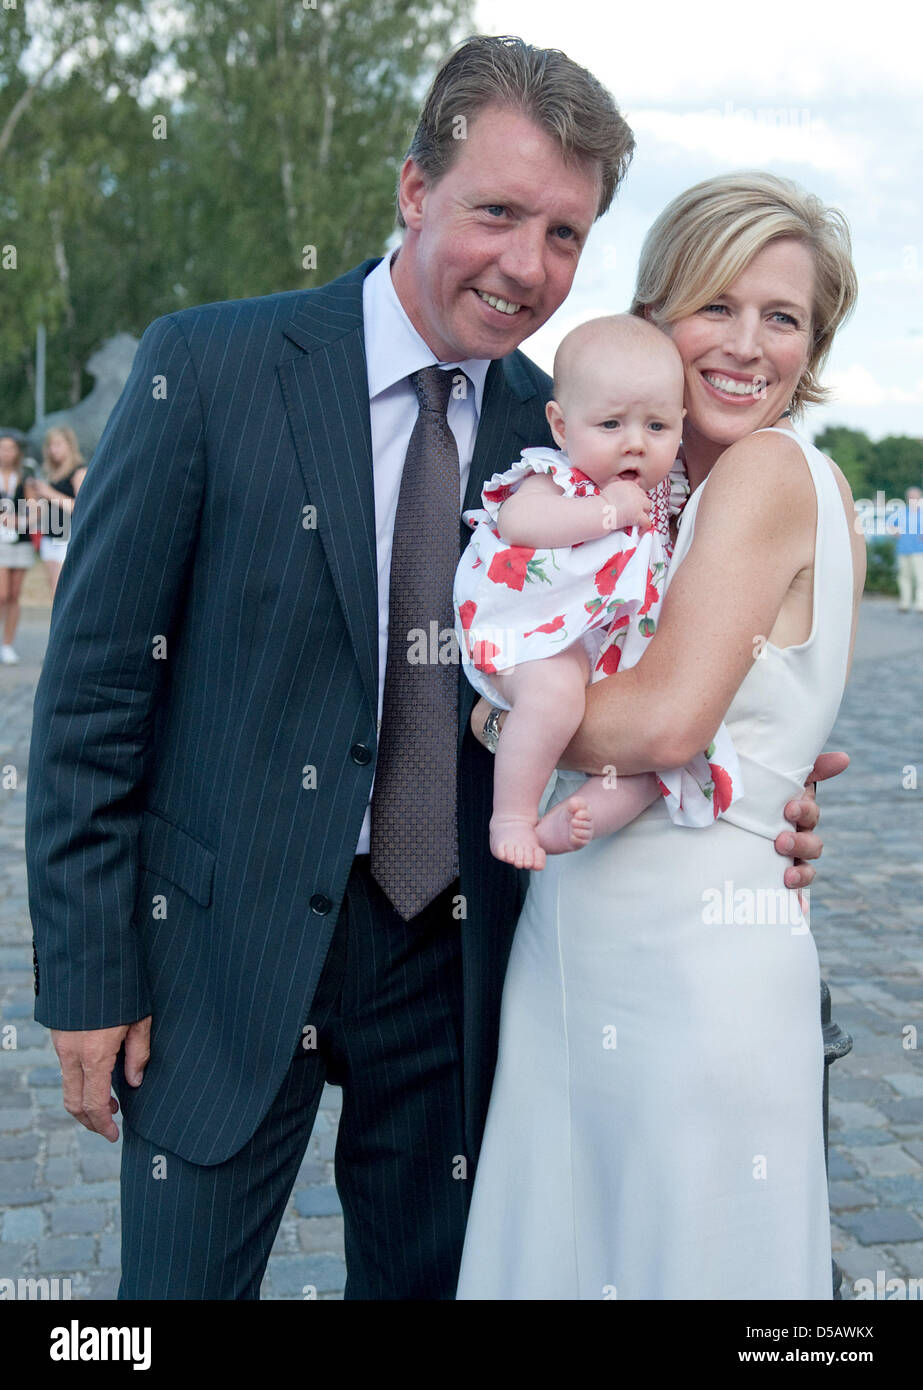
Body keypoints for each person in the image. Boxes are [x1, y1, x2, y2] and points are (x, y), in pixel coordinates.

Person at [25, 38, 836, 1302]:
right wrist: (86, 978)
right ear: (413, 189)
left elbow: (673, 661)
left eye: (564, 234)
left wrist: (765, 793)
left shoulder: (572, 430)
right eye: (496, 212)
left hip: (460, 972)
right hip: (219, 963)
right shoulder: (214, 368)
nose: (526, 266)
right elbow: (90, 699)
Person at [456, 171, 865, 1301]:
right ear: (655, 317)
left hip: (689, 964)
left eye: (780, 317)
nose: (744, 346)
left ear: (812, 344)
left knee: (681, 1253)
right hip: (582, 942)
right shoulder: (664, 497)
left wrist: (497, 713)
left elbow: (670, 719)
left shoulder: (771, 472)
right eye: (713, 306)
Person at [454, 313, 740, 869]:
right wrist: (604, 511)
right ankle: (511, 815)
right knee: (555, 697)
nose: (635, 444)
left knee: (652, 768)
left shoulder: (671, 496)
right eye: (611, 425)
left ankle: (568, 824)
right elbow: (518, 522)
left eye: (656, 427)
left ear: (681, 423)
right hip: (542, 633)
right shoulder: (556, 476)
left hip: (616, 657)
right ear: (561, 426)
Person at [29, 426, 86, 598]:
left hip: (67, 537)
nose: (53, 450)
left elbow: (80, 507)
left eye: (58, 445)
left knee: (61, 590)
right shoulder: (51, 474)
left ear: (69, 445)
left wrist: (49, 493)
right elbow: (40, 511)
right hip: (50, 535)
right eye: (50, 446)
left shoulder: (79, 471)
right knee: (54, 591)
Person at [0, 433, 36, 664]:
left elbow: (34, 511)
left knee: (14, 595)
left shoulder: (24, 478)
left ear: (16, 452)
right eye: (2, 448)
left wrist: (18, 521)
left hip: (20, 541)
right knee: (1, 595)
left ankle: (7, 645)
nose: (6, 453)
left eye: (10, 448)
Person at [894, 485, 923, 612]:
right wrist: (894, 531)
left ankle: (920, 604)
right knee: (904, 577)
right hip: (903, 549)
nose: (912, 498)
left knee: (920, 578)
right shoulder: (901, 512)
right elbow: (890, 525)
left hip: (919, 551)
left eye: (915, 496)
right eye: (910, 496)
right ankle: (905, 603)